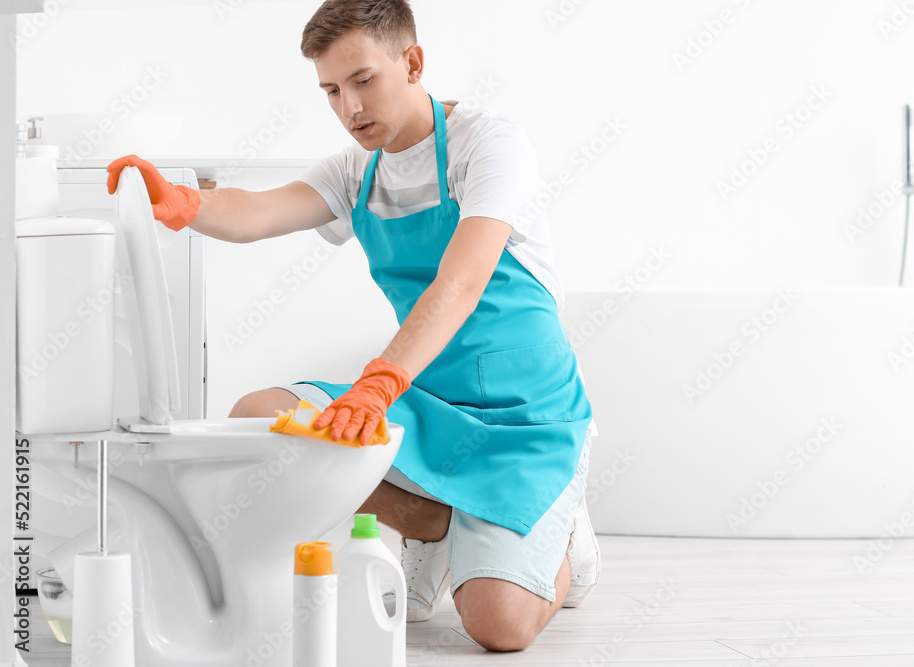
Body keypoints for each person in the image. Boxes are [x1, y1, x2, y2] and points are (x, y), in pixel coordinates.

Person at [105, 0, 599, 652]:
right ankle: (442, 521)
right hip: (427, 403)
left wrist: (379, 383)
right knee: (261, 415)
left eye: (363, 80)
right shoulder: (356, 172)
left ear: (413, 62)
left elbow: (463, 281)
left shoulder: (490, 143)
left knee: (497, 625)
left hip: (529, 420)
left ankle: (563, 530)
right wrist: (184, 201)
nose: (349, 107)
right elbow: (256, 212)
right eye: (331, 90)